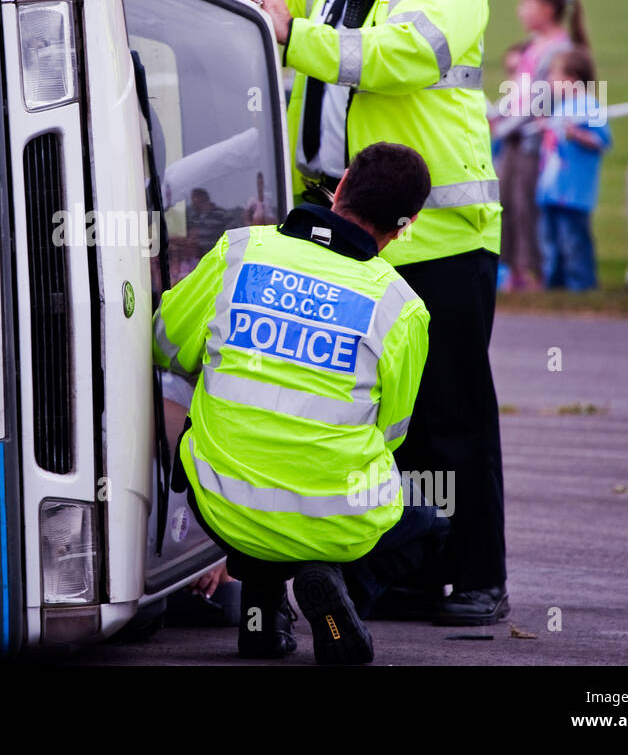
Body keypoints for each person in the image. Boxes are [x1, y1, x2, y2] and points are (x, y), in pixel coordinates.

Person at [207, 0, 507, 624]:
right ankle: (403, 569)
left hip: (439, 235)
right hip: (349, 232)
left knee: (452, 415)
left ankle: (476, 576)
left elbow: (407, 56)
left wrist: (290, 29)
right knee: (374, 416)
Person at [153, 142, 447, 664]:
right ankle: (338, 596)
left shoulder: (240, 251)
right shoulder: (402, 308)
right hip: (336, 513)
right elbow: (392, 432)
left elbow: (166, 343)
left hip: (224, 503)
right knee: (432, 521)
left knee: (261, 493)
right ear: (408, 225)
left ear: (339, 187)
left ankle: (264, 619)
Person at [495, 0, 588, 292]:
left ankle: (535, 274)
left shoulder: (560, 50)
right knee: (506, 203)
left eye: (527, 4)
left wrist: (505, 125)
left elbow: (541, 101)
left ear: (548, 10)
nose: (520, 10)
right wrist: (496, 113)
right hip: (514, 138)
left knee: (526, 208)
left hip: (533, 142)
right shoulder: (532, 45)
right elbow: (518, 92)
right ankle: (514, 271)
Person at [536, 49, 612, 291]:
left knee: (573, 240)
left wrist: (578, 135)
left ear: (573, 79)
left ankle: (581, 284)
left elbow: (602, 141)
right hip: (552, 189)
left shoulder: (588, 105)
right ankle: (555, 284)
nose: (550, 82)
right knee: (551, 239)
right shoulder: (563, 107)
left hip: (573, 191)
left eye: (555, 76)